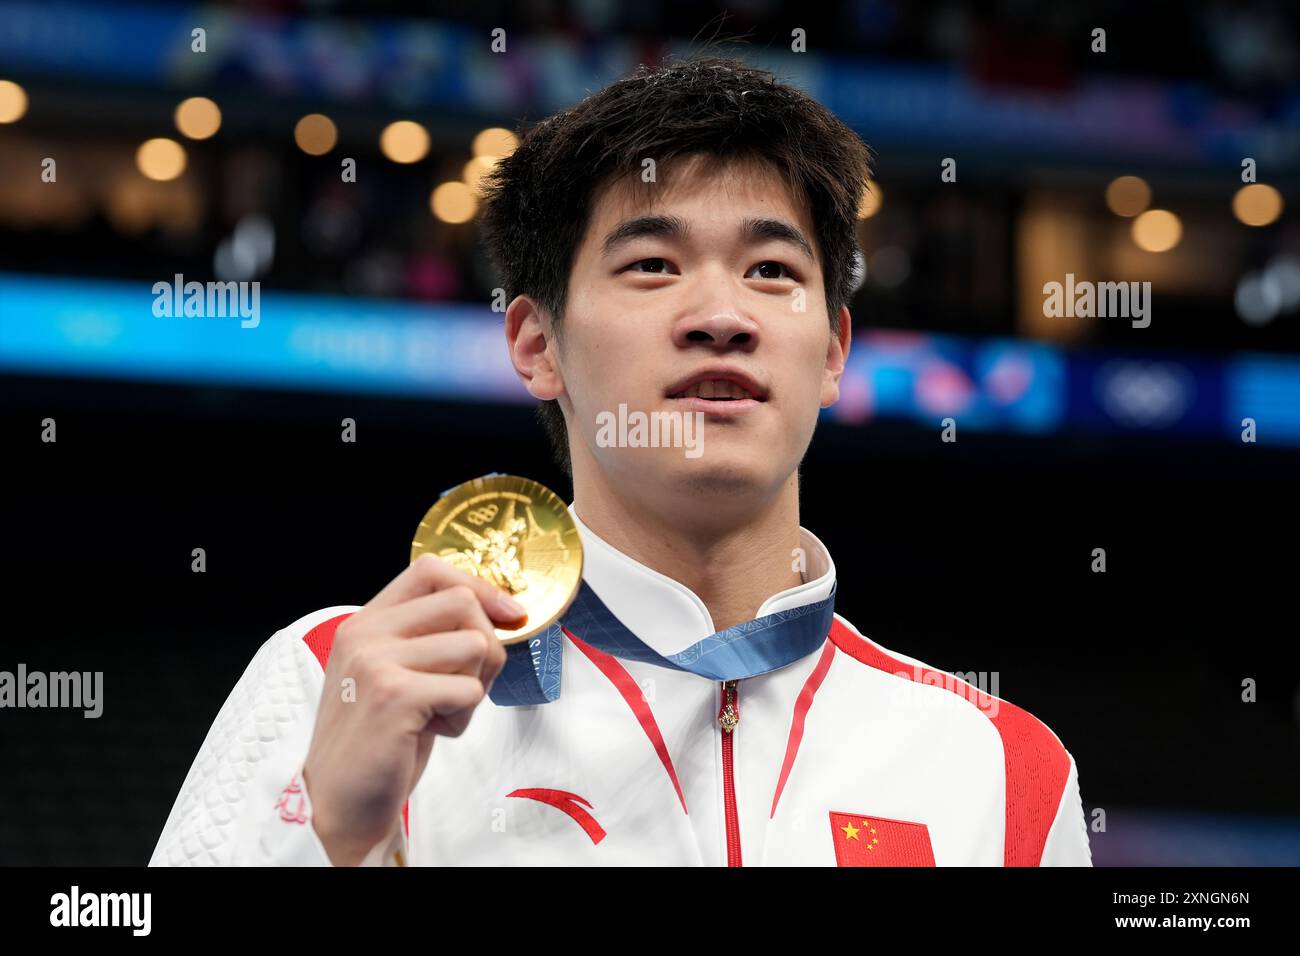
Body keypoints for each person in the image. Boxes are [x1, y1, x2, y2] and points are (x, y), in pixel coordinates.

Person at [150, 55, 1092, 867]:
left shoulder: (1000, 769)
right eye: (652, 265)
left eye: (773, 270)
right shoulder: (342, 677)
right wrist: (328, 837)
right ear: (536, 344)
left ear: (836, 350)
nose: (722, 315)